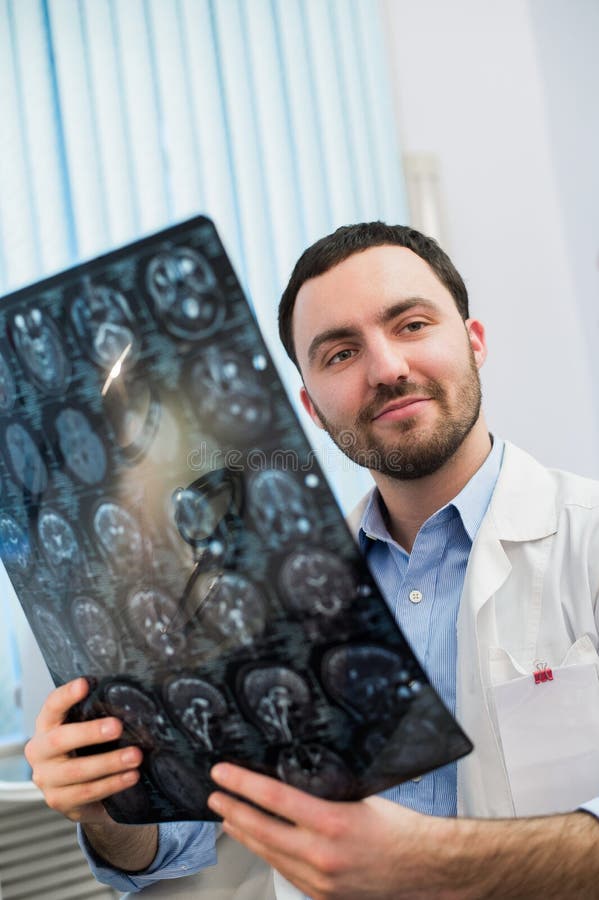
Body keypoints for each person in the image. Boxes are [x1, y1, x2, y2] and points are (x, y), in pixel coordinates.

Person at [25, 223, 599, 899]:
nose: (385, 369)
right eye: (338, 354)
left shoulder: (582, 541)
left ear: (473, 342)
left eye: (411, 324)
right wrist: (105, 807)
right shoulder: (255, 587)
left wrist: (438, 862)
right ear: (311, 410)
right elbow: (176, 843)